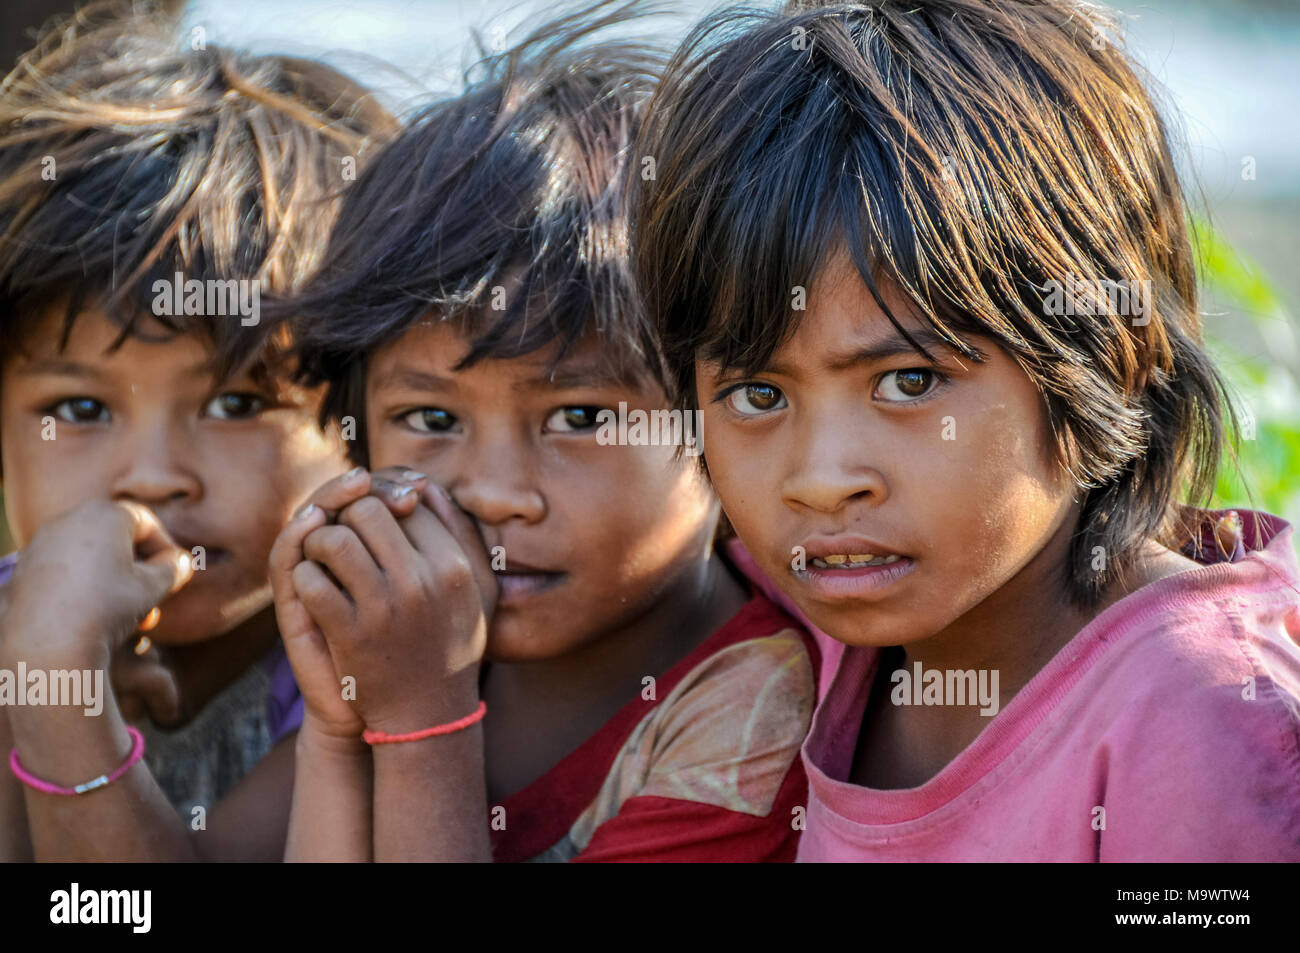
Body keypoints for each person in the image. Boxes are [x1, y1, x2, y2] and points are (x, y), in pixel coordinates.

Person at [632, 0, 1300, 860]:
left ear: (1111, 356)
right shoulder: (815, 627)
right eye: (759, 396)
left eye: (908, 381)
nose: (821, 478)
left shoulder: (1195, 722)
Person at [270, 4, 818, 862]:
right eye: (431, 419)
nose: (493, 491)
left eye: (580, 416)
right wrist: (339, 736)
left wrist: (423, 726)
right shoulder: (408, 631)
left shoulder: (750, 717)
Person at [0, 0, 394, 860]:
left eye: (236, 405)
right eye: (79, 408)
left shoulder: (378, 655)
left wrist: (58, 689)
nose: (152, 476)